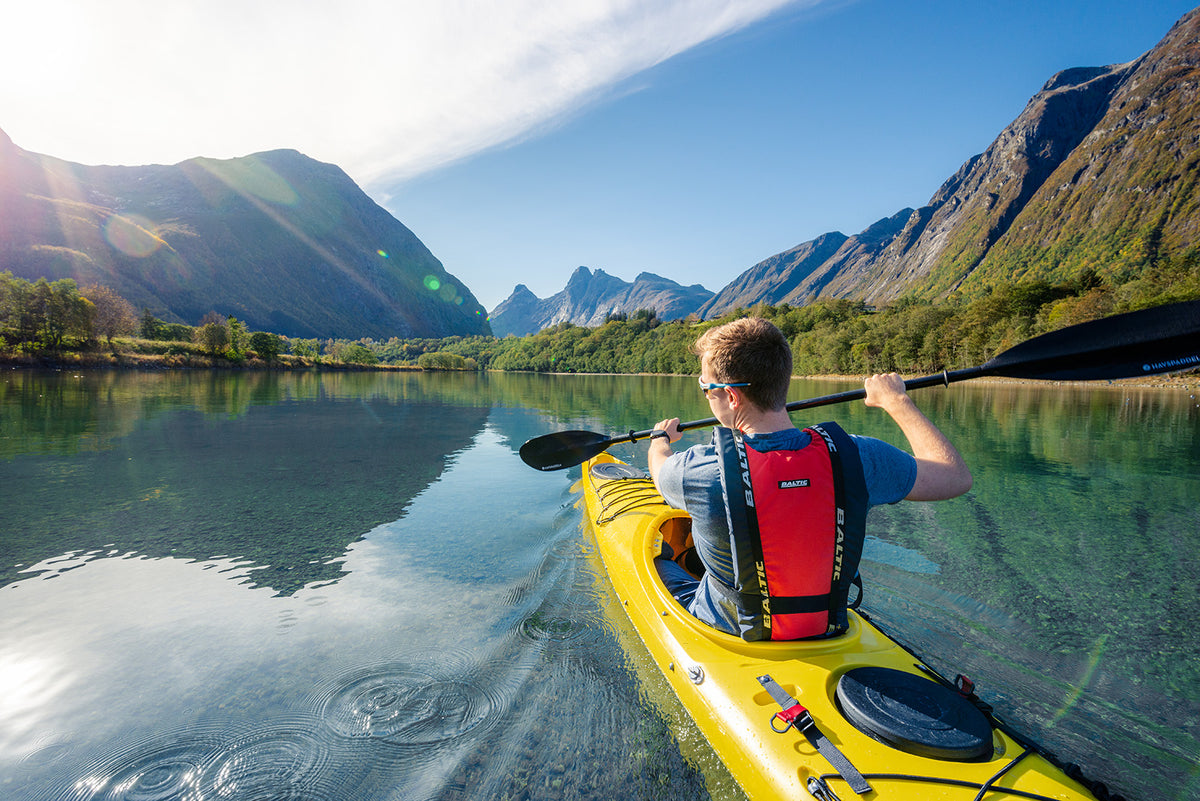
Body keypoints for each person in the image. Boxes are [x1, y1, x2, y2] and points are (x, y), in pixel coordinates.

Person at [647, 317, 972, 641]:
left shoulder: (699, 470)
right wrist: (897, 402)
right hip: (823, 629)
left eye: (706, 388)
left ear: (731, 396)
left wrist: (660, 439)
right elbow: (954, 476)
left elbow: (660, 471)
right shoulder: (857, 456)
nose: (706, 395)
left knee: (660, 558)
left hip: (728, 630)